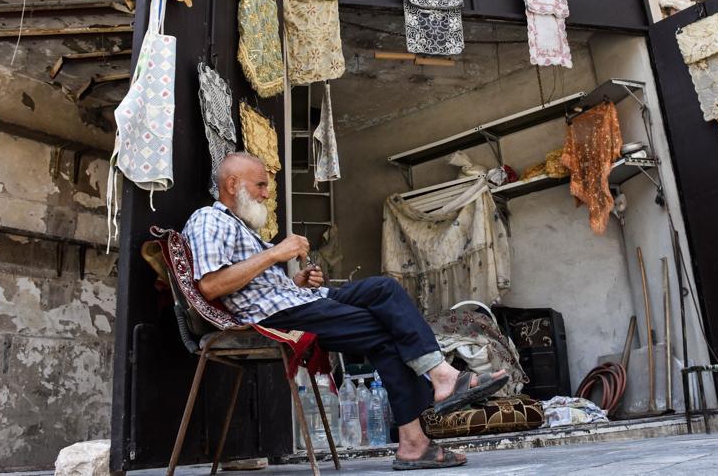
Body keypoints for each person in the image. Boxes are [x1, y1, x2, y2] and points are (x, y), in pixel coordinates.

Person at [182, 153, 508, 470]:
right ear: (232, 183)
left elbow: (256, 281)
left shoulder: (244, 228)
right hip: (274, 317)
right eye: (261, 185)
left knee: (385, 289)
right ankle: (418, 434)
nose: (267, 194)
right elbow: (211, 285)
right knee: (386, 330)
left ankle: (440, 380)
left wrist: (296, 280)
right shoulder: (208, 219)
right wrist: (277, 253)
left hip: (298, 301)